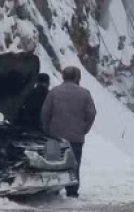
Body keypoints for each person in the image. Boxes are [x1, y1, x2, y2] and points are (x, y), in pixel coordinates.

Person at [41, 66, 97, 197]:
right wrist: (84, 129)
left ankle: (53, 189)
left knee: (53, 162)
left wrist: (47, 129)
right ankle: (72, 190)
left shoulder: (54, 92)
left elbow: (45, 113)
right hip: (76, 137)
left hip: (54, 136)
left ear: (63, 76)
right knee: (74, 164)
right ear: (77, 77)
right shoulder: (84, 93)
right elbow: (91, 113)